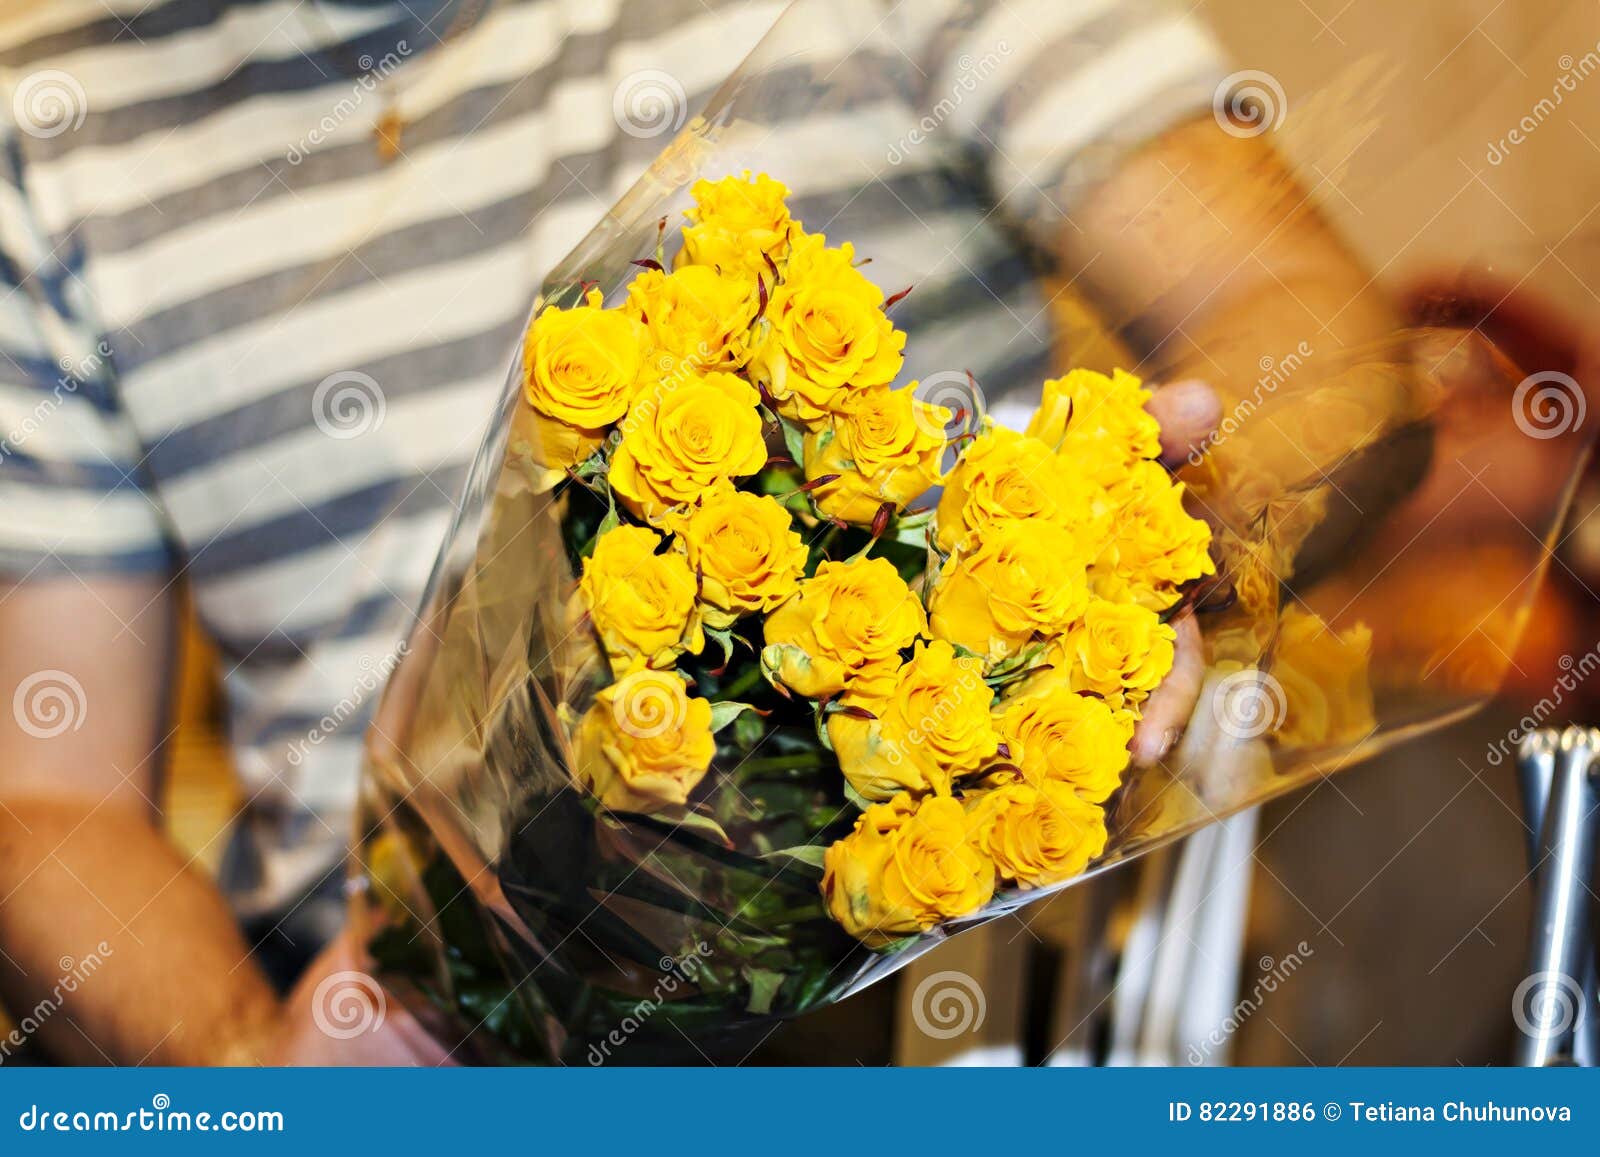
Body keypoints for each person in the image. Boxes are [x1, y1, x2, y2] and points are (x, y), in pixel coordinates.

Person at [0, 0, 1397, 1064]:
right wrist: (267, 1067)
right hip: (365, 1024)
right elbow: (47, 797)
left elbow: (1312, 327)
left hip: (967, 1028)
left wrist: (1157, 532)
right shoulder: (46, 117)